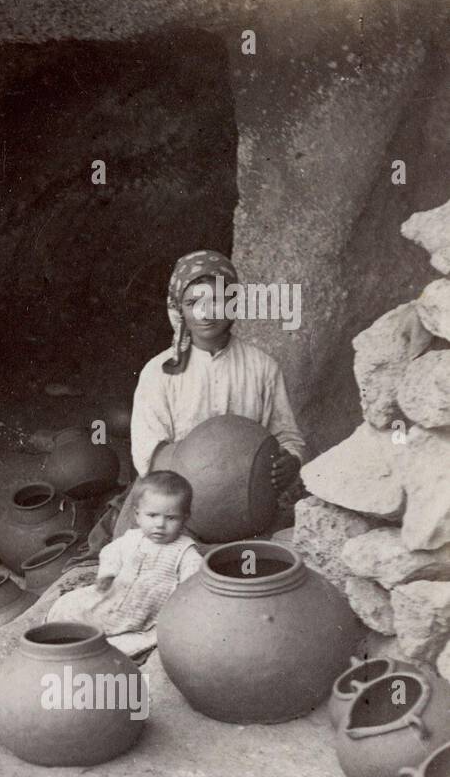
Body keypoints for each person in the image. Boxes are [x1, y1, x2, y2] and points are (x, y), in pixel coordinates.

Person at [82, 250, 309, 553]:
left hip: (246, 501)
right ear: (178, 308)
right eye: (193, 303)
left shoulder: (262, 366)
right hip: (174, 502)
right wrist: (201, 486)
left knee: (276, 560)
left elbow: (287, 435)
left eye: (216, 301)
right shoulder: (159, 371)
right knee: (147, 563)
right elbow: (148, 452)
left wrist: (290, 460)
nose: (206, 313)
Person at [47, 471, 203, 660]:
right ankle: (76, 633)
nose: (160, 524)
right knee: (70, 606)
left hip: (147, 613)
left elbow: (193, 583)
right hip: (116, 596)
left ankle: (103, 644)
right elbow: (111, 553)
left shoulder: (185, 551)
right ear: (138, 515)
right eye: (152, 515)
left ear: (185, 519)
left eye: (171, 518)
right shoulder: (131, 538)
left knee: (142, 638)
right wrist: (107, 574)